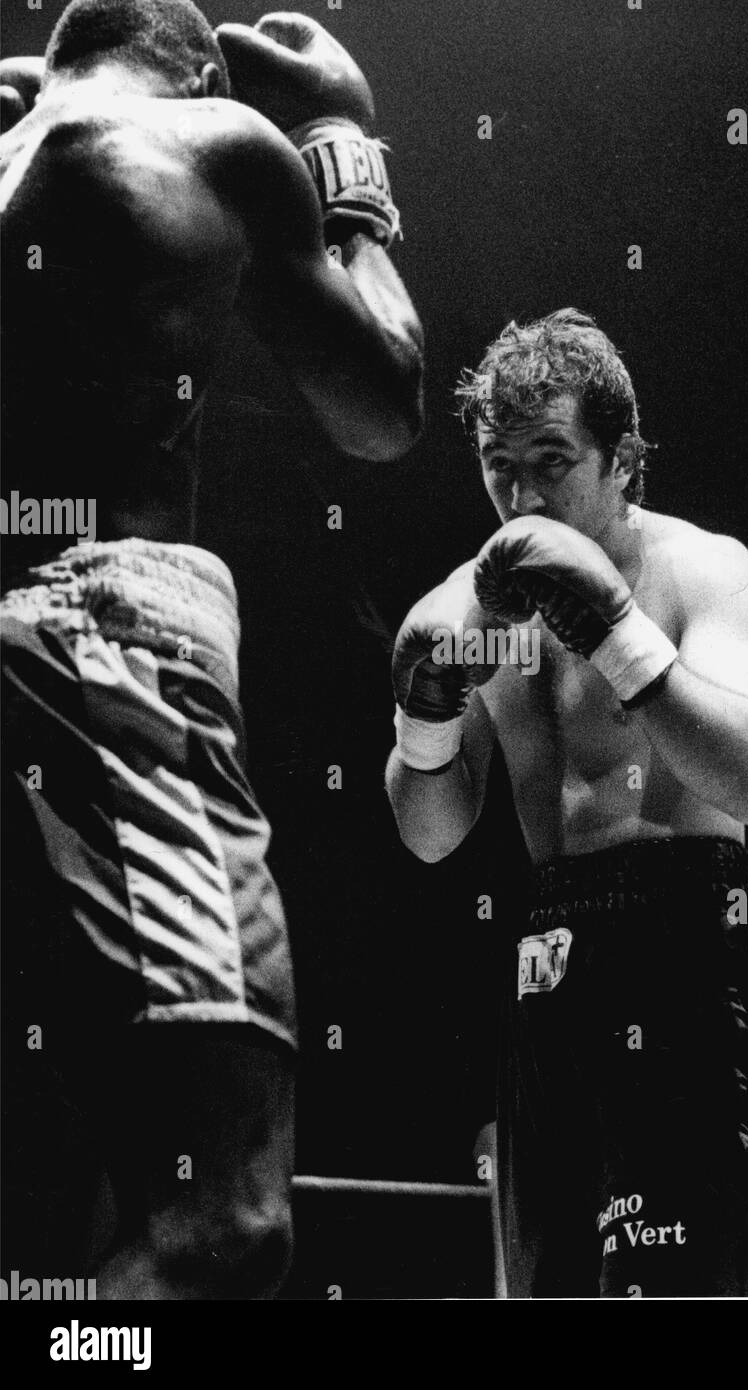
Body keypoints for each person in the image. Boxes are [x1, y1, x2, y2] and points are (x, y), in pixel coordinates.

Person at [1, 1, 423, 1299]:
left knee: (89, 1208)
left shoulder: (25, 148)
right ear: (197, 65)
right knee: (223, 1222)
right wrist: (344, 140)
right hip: (107, 653)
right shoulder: (206, 134)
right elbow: (382, 403)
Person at [386, 310, 748, 1297]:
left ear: (622, 458)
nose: (521, 496)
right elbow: (433, 835)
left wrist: (617, 630)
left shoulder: (705, 569)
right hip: (545, 956)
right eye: (498, 463)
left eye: (552, 460)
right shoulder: (470, 610)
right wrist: (424, 720)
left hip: (684, 935)